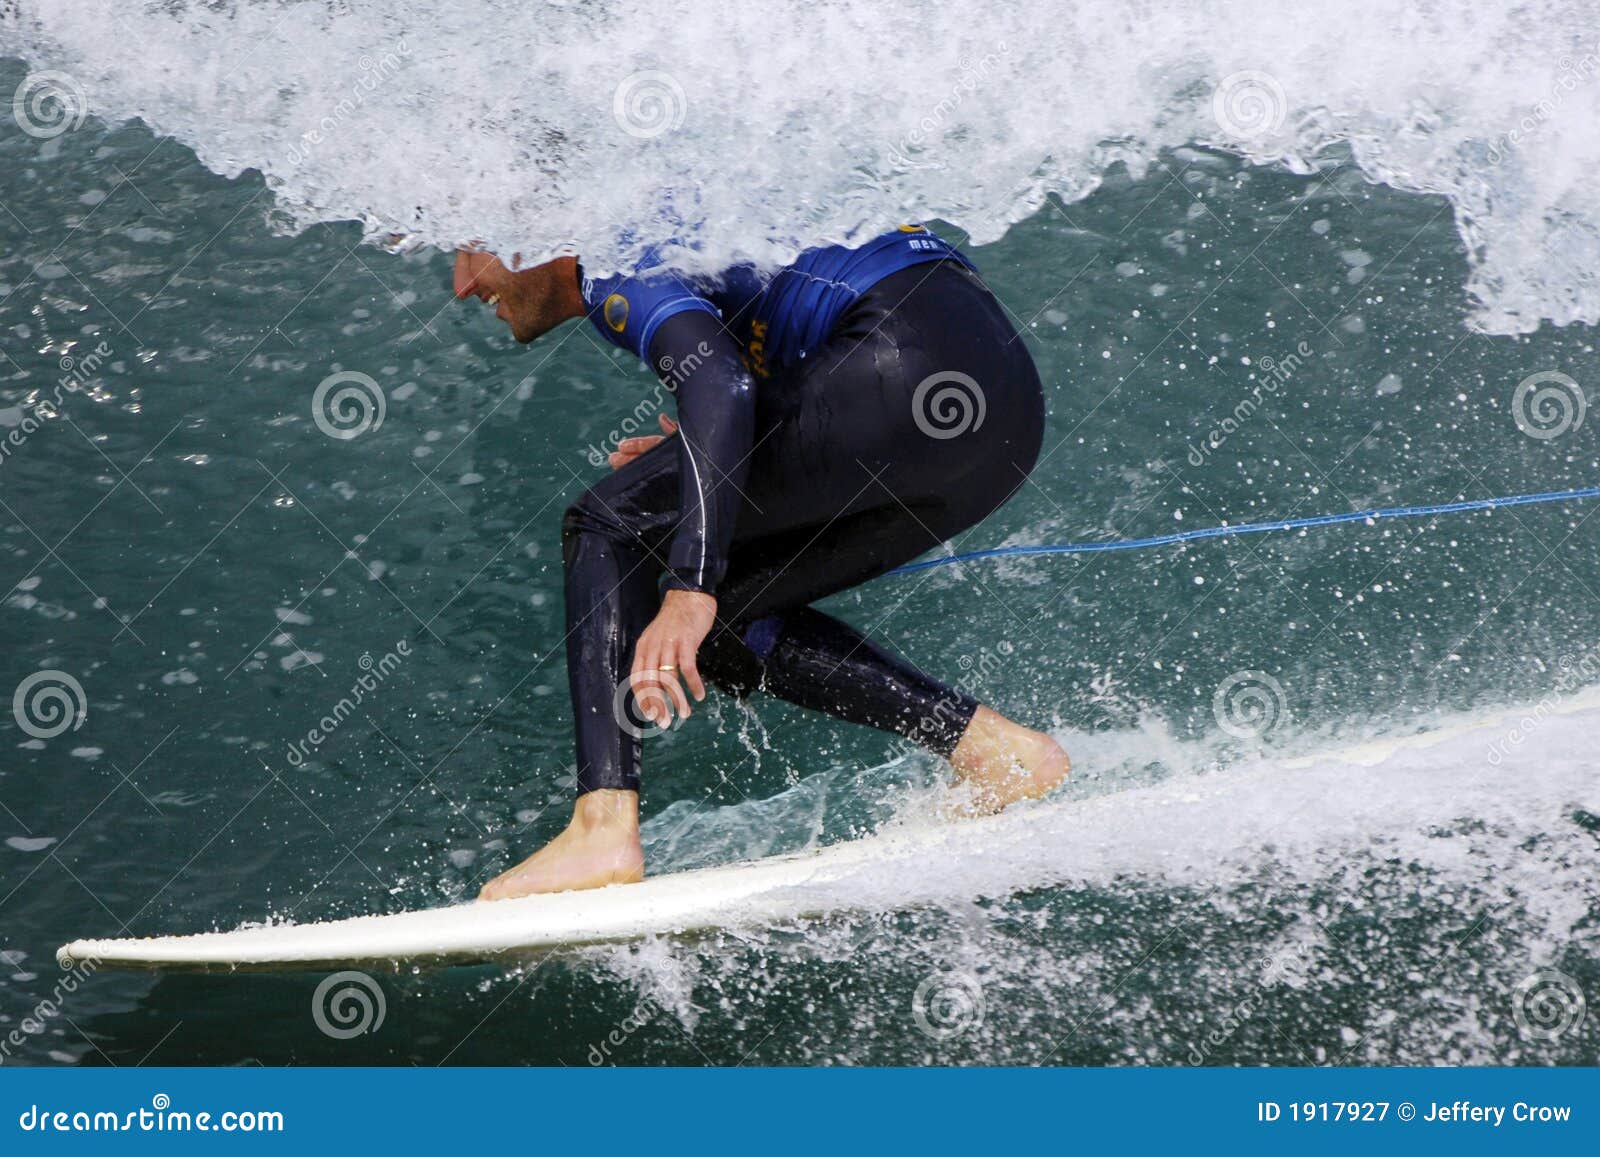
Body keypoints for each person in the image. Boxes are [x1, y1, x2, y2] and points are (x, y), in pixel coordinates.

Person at [452, 227, 1070, 899]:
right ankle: (1000, 753)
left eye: (467, 247)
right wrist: (708, 462)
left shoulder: (609, 257)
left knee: (608, 523)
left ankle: (602, 827)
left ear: (540, 226)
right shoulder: (679, 211)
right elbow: (758, 362)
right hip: (999, 407)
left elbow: (719, 379)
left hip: (899, 358)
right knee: (723, 627)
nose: (462, 281)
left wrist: (690, 583)